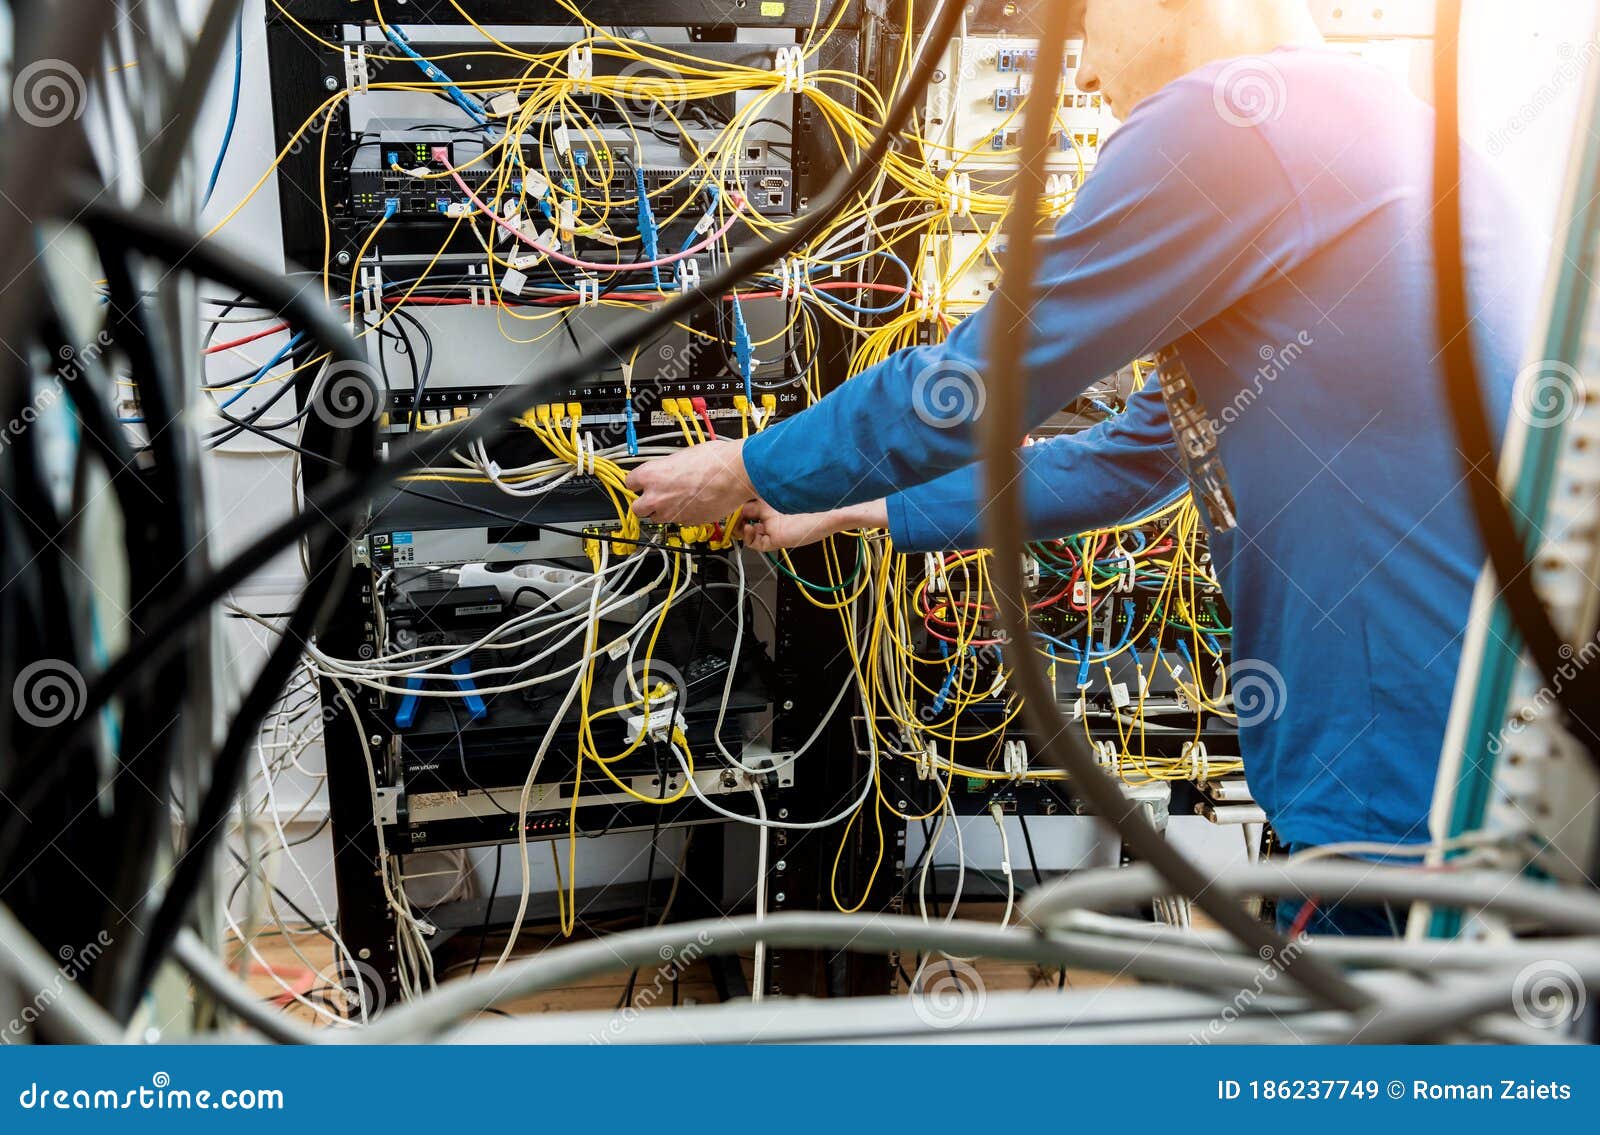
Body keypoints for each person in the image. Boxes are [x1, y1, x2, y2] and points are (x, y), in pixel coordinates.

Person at [625, 0, 1540, 933]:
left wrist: (749, 466)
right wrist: (855, 510)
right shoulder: (1367, 122)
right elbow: (1128, 461)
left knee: (1380, 1070)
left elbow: (973, 380)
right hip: (1477, 752)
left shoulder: (1237, 119)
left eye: (1081, 31)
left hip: (1398, 777)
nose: (1089, 79)